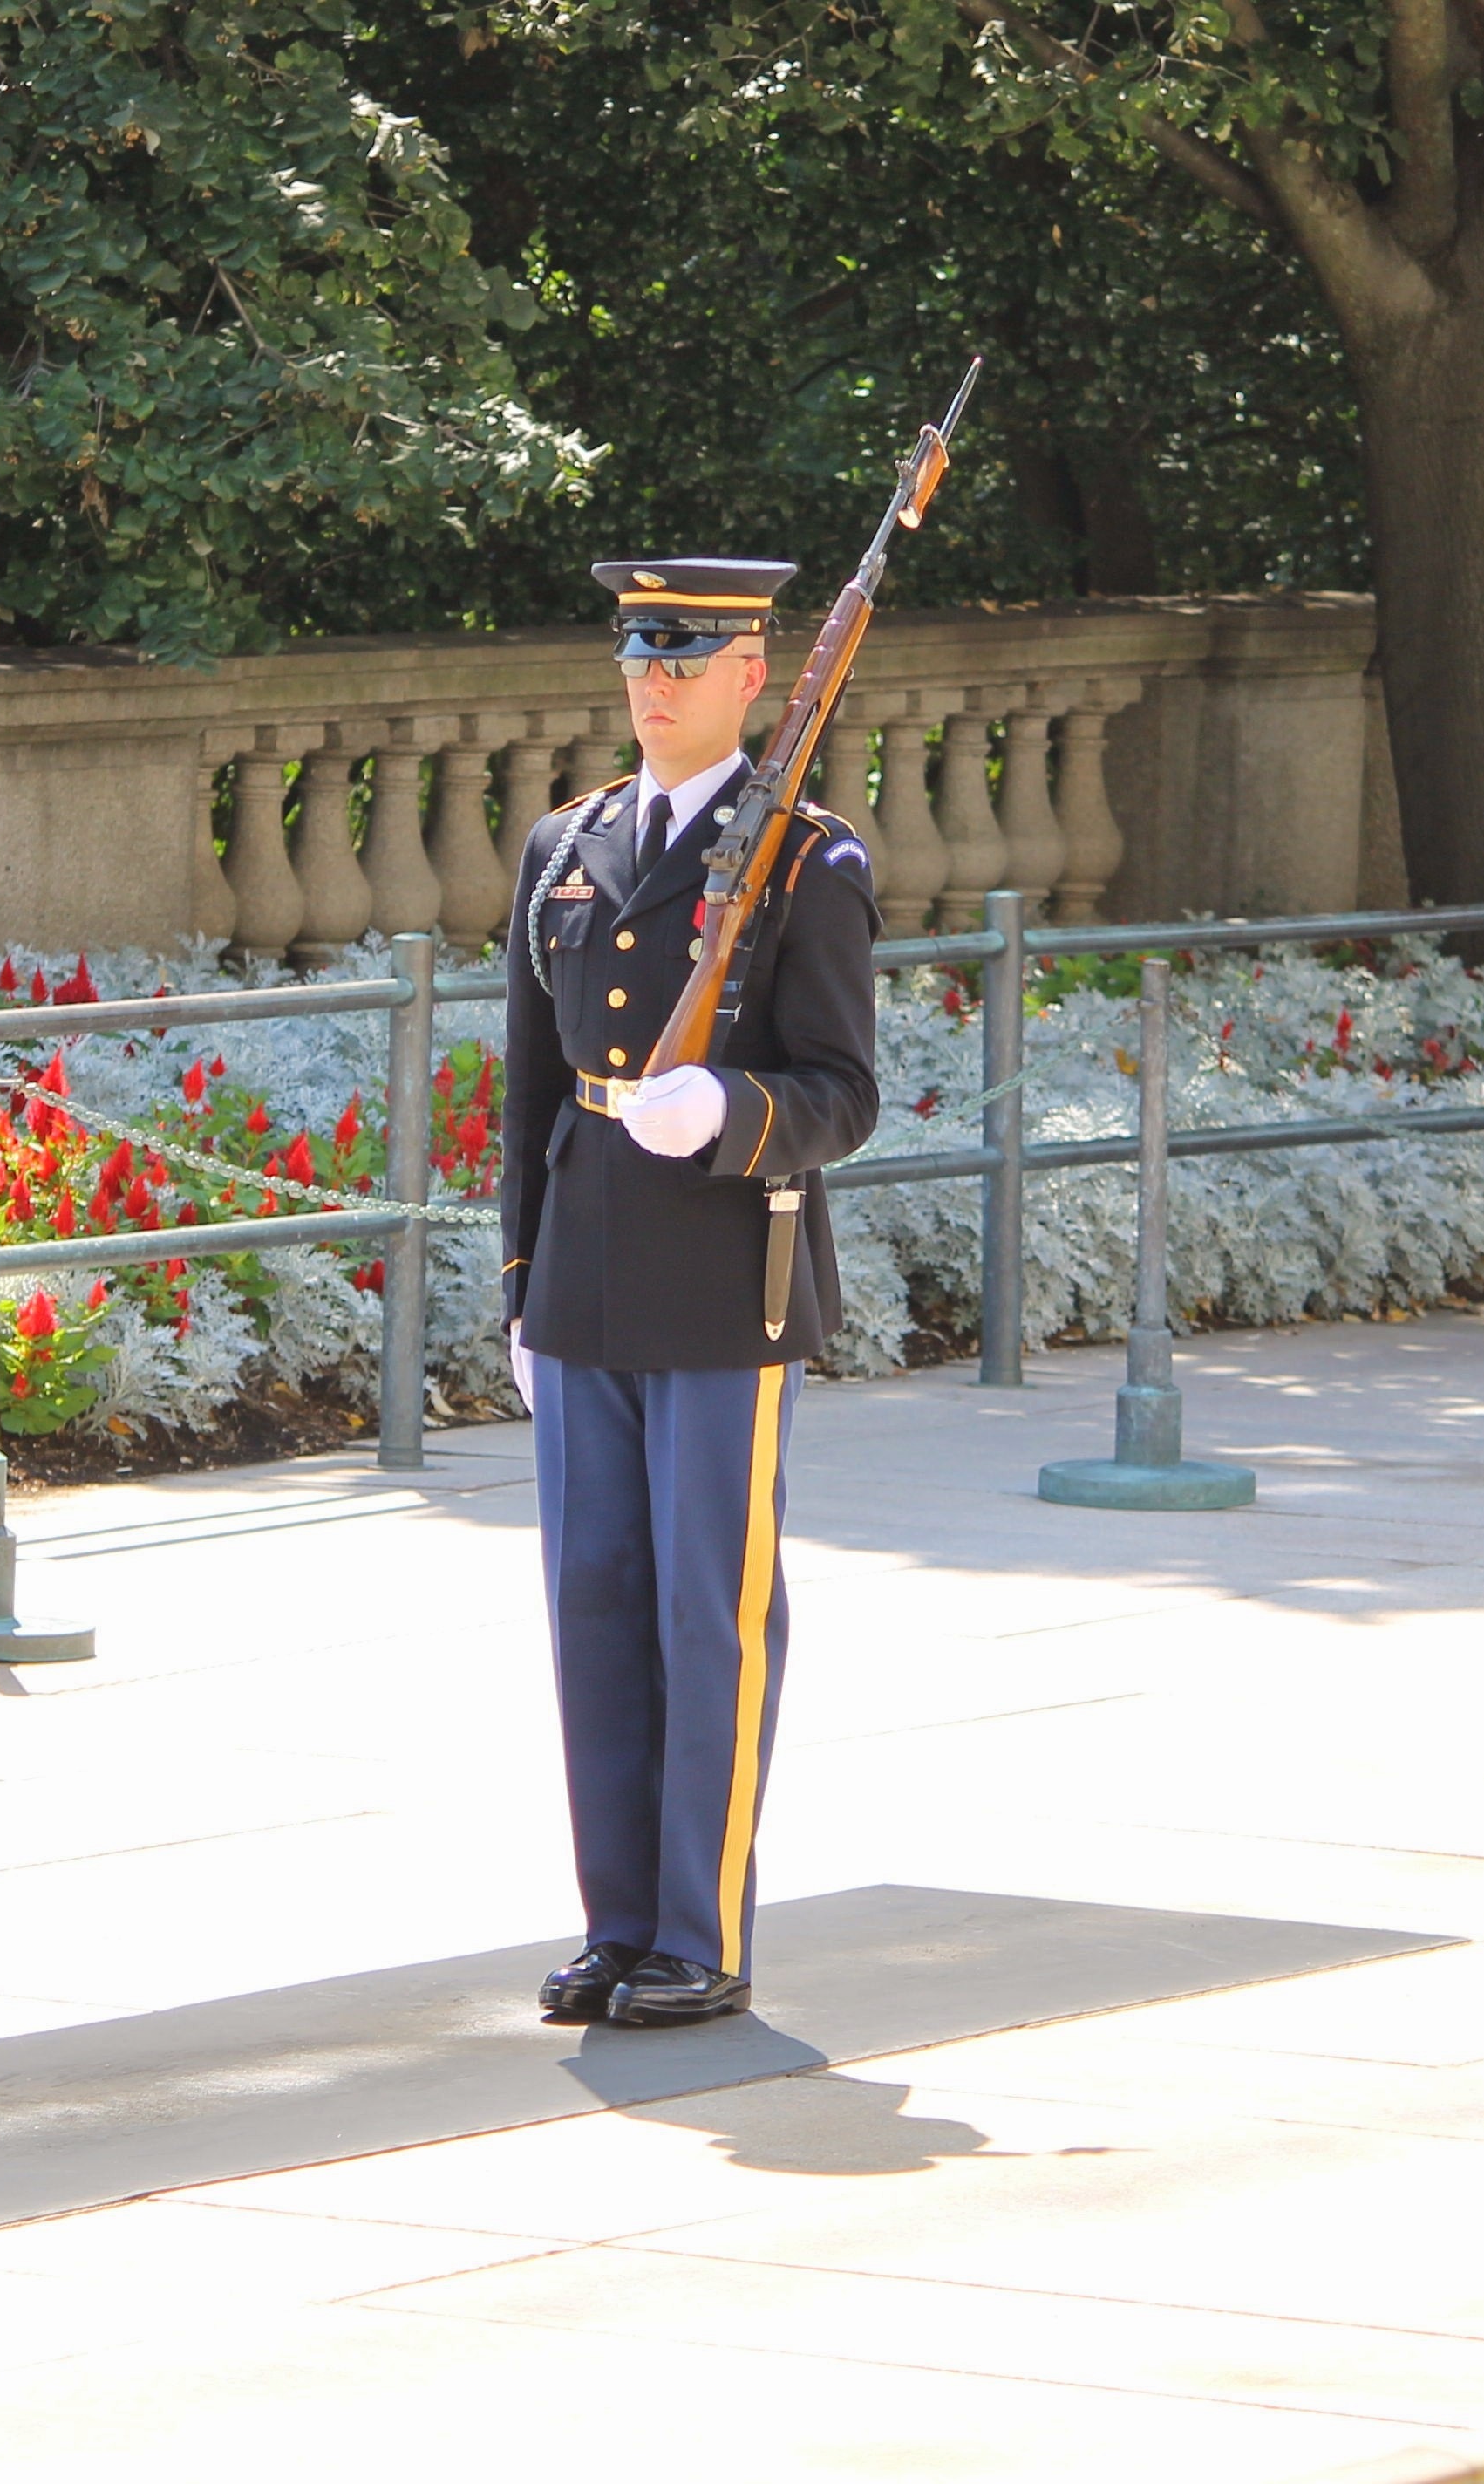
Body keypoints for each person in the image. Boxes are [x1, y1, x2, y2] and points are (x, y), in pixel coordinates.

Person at [496, 556, 882, 2028]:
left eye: (687, 654)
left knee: (706, 1611)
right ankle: (617, 1922)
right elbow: (535, 1085)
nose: (654, 677)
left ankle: (700, 1934)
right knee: (592, 1602)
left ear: (753, 677)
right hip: (587, 1275)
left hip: (727, 1278)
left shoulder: (807, 861)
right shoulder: (567, 846)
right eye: (638, 651)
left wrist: (728, 1104)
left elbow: (842, 1093)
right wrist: (524, 1289)